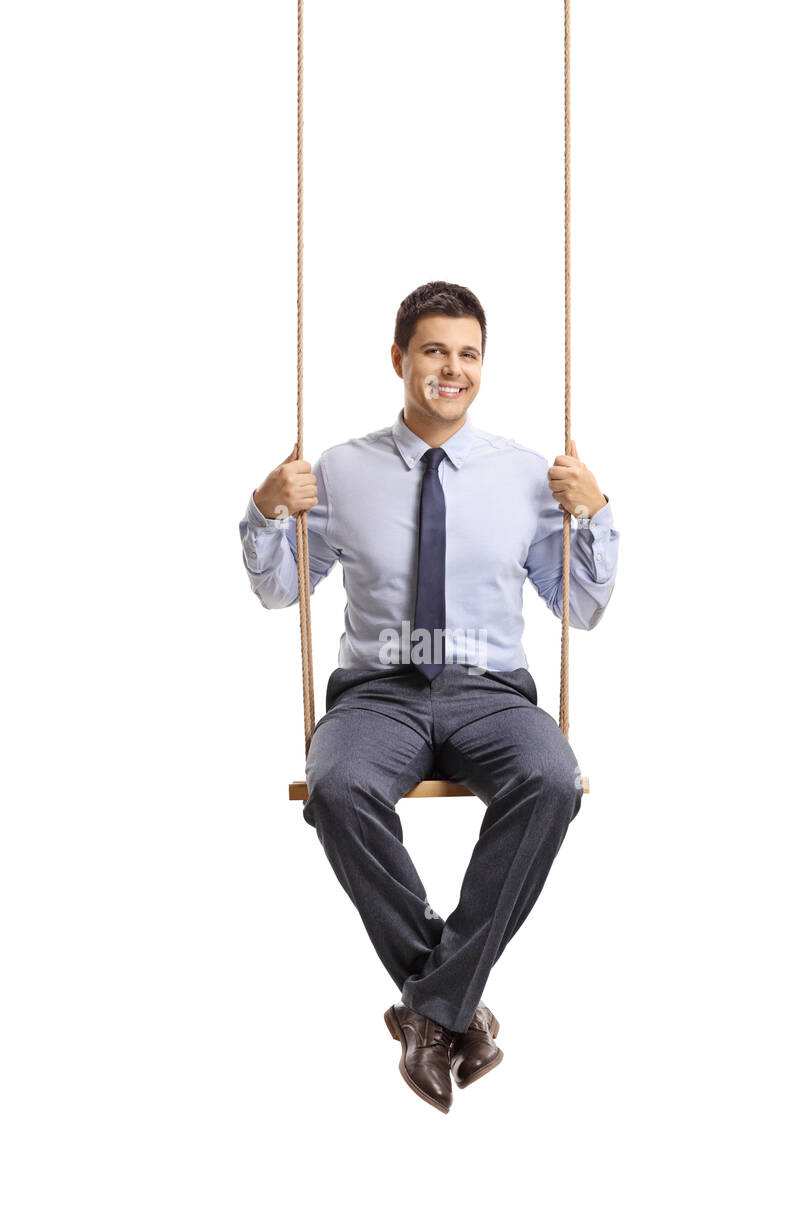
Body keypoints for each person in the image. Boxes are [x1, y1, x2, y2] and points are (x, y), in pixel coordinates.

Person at [238, 280, 619, 1114]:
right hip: (379, 692)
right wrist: (267, 511)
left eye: (468, 353)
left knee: (553, 780)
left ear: (483, 365)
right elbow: (280, 591)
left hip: (491, 694)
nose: (452, 369)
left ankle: (430, 1008)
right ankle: (452, 1005)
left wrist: (596, 517)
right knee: (336, 787)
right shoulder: (341, 468)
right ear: (400, 359)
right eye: (434, 351)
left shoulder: (525, 474)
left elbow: (581, 607)